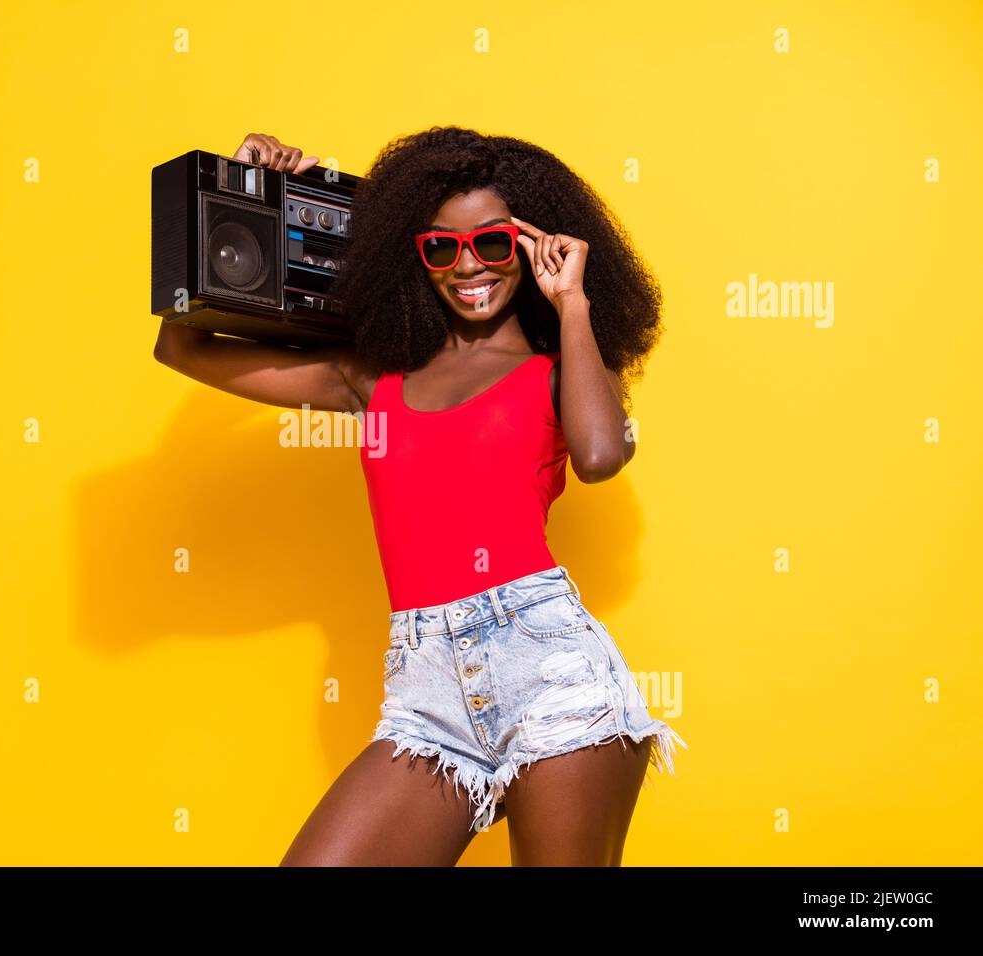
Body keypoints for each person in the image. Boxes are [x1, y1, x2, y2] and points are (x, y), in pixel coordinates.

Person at [152, 128, 687, 866]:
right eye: (442, 248)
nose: (468, 266)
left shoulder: (556, 370)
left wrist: (570, 303)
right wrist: (239, 198)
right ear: (415, 258)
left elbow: (599, 456)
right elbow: (183, 348)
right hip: (425, 693)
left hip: (554, 677)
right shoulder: (372, 381)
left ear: (531, 245)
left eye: (493, 244)